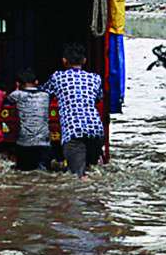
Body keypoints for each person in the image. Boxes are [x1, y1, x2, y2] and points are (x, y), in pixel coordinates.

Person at [43, 45, 105, 177]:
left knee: (78, 178)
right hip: (96, 130)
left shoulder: (57, 77)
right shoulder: (95, 78)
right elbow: (99, 98)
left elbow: (43, 94)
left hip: (73, 132)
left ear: (64, 61)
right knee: (92, 171)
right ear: (84, 61)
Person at [6, 68, 52, 171]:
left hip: (24, 143)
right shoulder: (45, 96)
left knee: (24, 174)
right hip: (43, 143)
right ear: (36, 82)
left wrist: (17, 89)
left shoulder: (17, 95)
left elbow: (7, 100)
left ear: (18, 83)